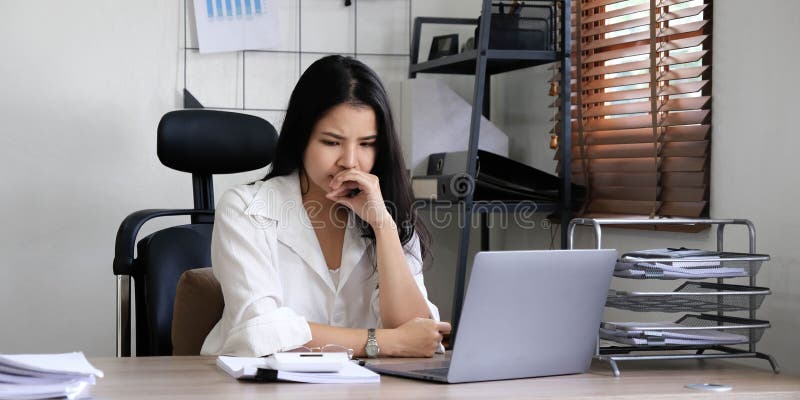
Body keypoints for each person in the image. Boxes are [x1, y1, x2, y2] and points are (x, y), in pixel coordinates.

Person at [201, 55, 450, 358]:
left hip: (366, 382)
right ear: (301, 138)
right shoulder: (245, 208)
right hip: (255, 382)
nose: (350, 161)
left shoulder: (388, 211)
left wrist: (383, 226)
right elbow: (261, 332)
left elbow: (416, 333)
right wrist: (383, 342)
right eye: (332, 142)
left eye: (367, 144)